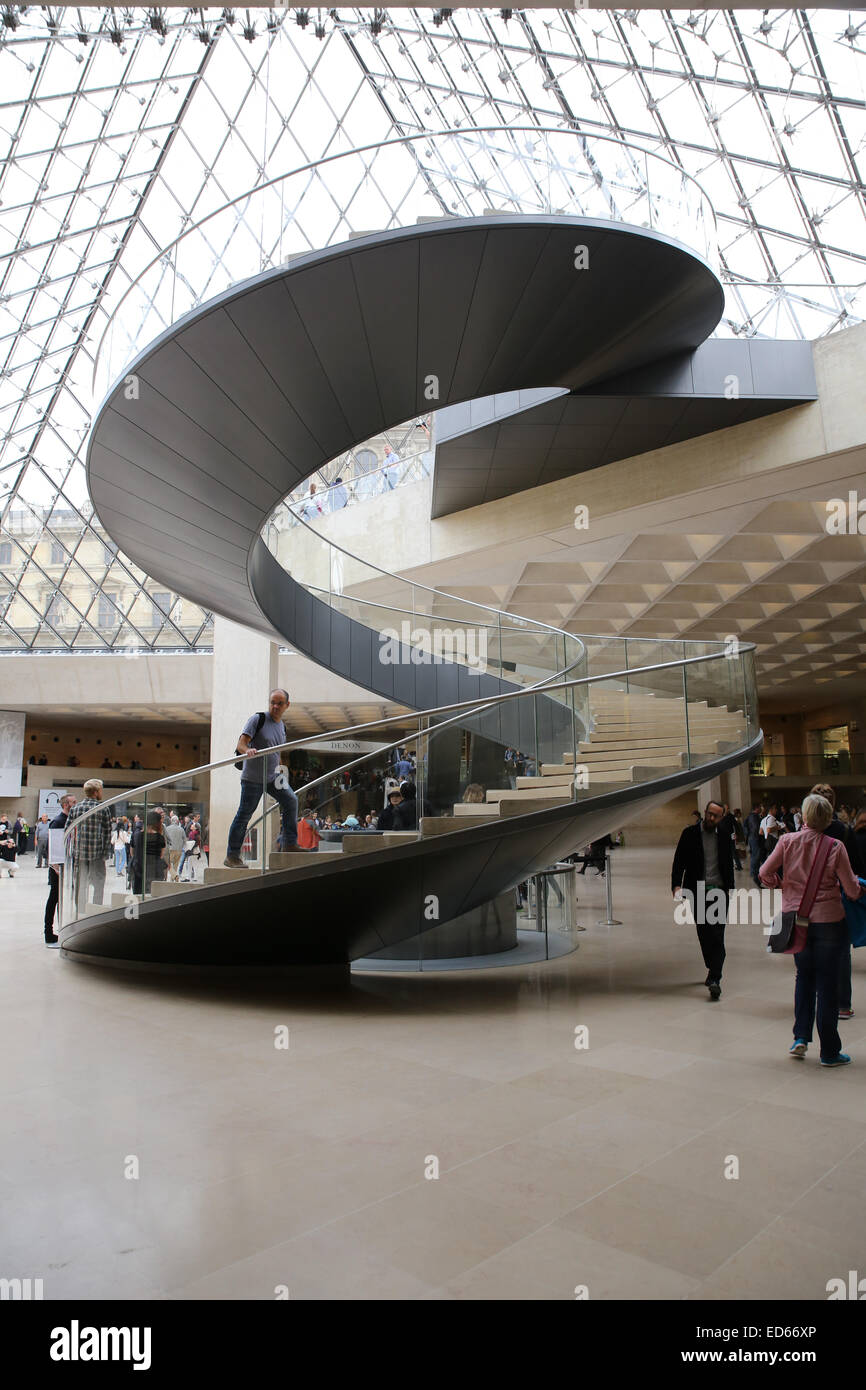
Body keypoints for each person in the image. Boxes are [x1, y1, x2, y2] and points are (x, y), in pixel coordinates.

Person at [761, 794, 864, 1066]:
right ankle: (830, 1052)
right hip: (830, 921)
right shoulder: (835, 846)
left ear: (804, 817)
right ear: (829, 818)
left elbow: (764, 872)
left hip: (797, 920)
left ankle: (800, 1038)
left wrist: (779, 884)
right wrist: (856, 890)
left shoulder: (787, 841)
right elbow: (851, 888)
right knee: (827, 985)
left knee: (803, 977)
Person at [225, 689, 300, 868]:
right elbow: (241, 744)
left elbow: (276, 750)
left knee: (291, 800)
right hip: (252, 778)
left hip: (273, 776)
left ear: (287, 705)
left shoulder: (282, 726)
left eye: (279, 703)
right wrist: (248, 750)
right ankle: (232, 856)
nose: (275, 706)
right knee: (244, 815)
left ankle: (289, 843)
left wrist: (281, 767)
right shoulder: (257, 719)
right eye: (272, 702)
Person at [671, 799, 735, 1001]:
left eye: (716, 816)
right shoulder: (689, 834)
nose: (712, 818)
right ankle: (712, 965)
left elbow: (728, 863)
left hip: (719, 891)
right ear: (705, 812)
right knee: (703, 931)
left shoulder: (724, 836)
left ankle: (716, 977)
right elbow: (679, 860)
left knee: (717, 933)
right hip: (696, 890)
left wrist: (731, 889)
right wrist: (676, 885)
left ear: (721, 817)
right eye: (710, 814)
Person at [811, 783, 863, 1020]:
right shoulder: (843, 832)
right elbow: (856, 870)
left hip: (810, 902)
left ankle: (816, 999)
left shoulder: (799, 835)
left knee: (811, 952)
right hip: (838, 900)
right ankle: (842, 1003)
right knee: (841, 952)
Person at [65, 780, 113, 912]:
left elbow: (67, 831)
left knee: (80, 885)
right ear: (96, 792)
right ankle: (95, 910)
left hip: (79, 854)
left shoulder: (75, 808)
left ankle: (80, 910)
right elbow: (107, 833)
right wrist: (105, 853)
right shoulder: (103, 808)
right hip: (97, 854)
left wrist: (73, 848)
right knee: (98, 885)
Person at [43, 793, 76, 943]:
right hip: (58, 869)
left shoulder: (70, 820)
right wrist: (57, 869)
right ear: (65, 805)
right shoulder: (57, 822)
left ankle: (62, 929)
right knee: (54, 899)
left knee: (61, 900)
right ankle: (48, 932)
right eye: (73, 802)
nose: (76, 804)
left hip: (66, 867)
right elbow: (52, 849)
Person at [744, 802, 765, 885]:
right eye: (759, 807)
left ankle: (754, 872)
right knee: (756, 855)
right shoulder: (754, 817)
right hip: (755, 838)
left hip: (752, 838)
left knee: (754, 855)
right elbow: (756, 828)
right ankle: (754, 873)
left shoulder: (750, 816)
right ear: (756, 808)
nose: (760, 809)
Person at [163, 813, 185, 881]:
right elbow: (184, 840)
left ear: (171, 821)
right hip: (179, 850)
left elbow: (165, 838)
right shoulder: (181, 829)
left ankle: (174, 876)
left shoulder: (167, 828)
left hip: (170, 849)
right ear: (177, 821)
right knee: (175, 865)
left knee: (169, 865)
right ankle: (173, 878)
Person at [0, 814, 17, 878]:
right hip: (0, 841)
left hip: (6, 840)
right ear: (1, 818)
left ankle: (11, 868)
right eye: (3, 819)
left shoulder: (8, 823)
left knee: (8, 853)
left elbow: (11, 831)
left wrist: (8, 831)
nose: (5, 820)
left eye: (6, 819)